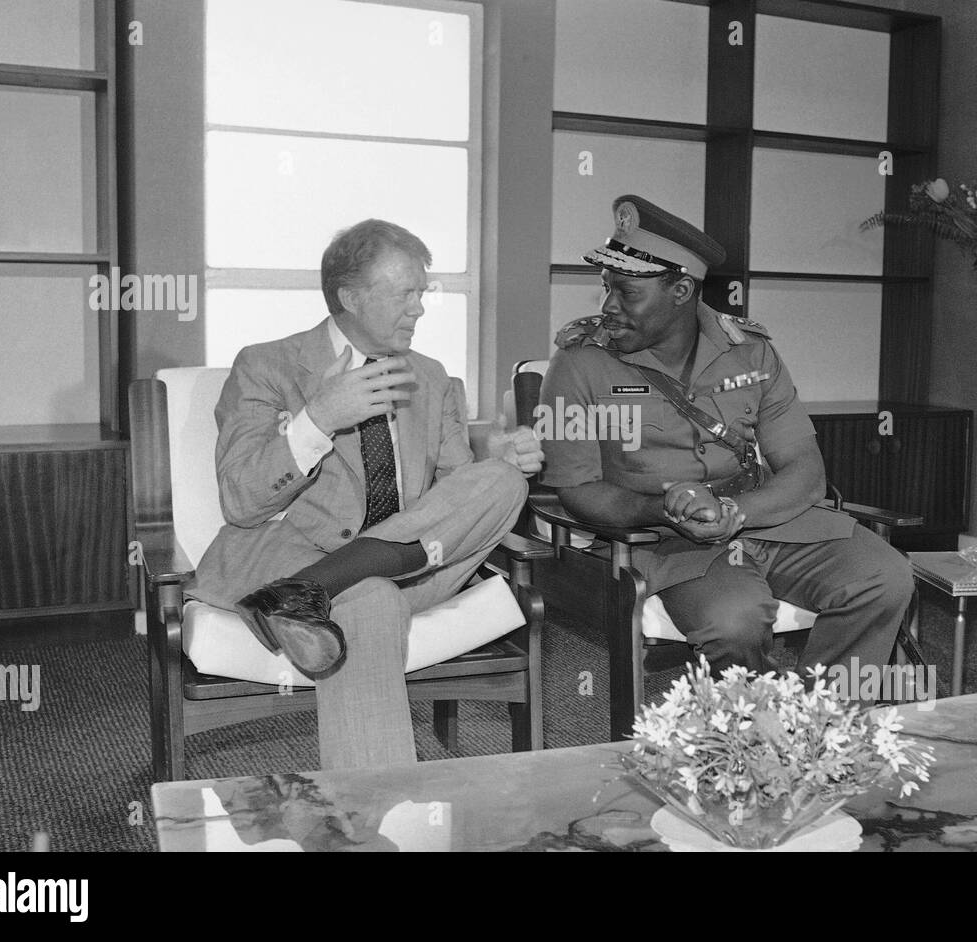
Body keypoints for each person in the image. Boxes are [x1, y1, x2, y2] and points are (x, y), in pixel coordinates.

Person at [189, 219, 543, 770]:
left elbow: (449, 502)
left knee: (503, 481)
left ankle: (304, 595)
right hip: (286, 552)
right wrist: (320, 419)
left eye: (421, 293)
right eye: (406, 293)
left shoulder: (431, 376)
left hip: (413, 567)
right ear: (350, 296)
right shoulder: (265, 365)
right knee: (371, 598)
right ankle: (373, 821)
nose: (420, 308)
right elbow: (241, 500)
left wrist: (493, 458)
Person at [538, 194, 912, 684]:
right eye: (606, 288)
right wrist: (666, 508)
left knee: (885, 577)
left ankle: (820, 722)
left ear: (681, 290)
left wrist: (737, 514)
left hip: (768, 520)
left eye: (626, 293)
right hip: (668, 540)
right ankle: (749, 733)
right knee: (735, 622)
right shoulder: (576, 364)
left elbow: (804, 468)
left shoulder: (752, 352)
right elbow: (577, 489)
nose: (608, 307)